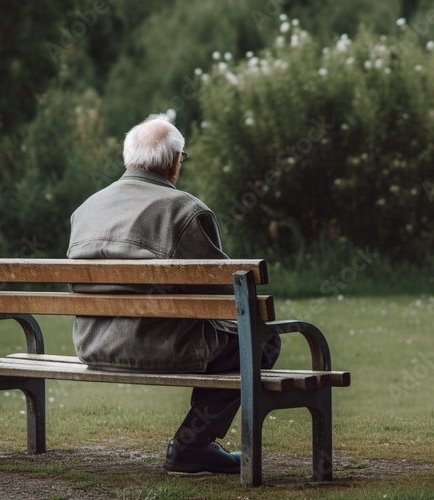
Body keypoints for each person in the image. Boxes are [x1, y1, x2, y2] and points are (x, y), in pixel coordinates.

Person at [67, 113, 281, 475]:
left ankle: (196, 447)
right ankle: (192, 446)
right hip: (160, 346)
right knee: (262, 340)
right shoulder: (184, 210)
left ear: (128, 158)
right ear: (174, 162)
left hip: (93, 344)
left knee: (244, 337)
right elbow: (224, 296)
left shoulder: (85, 209)